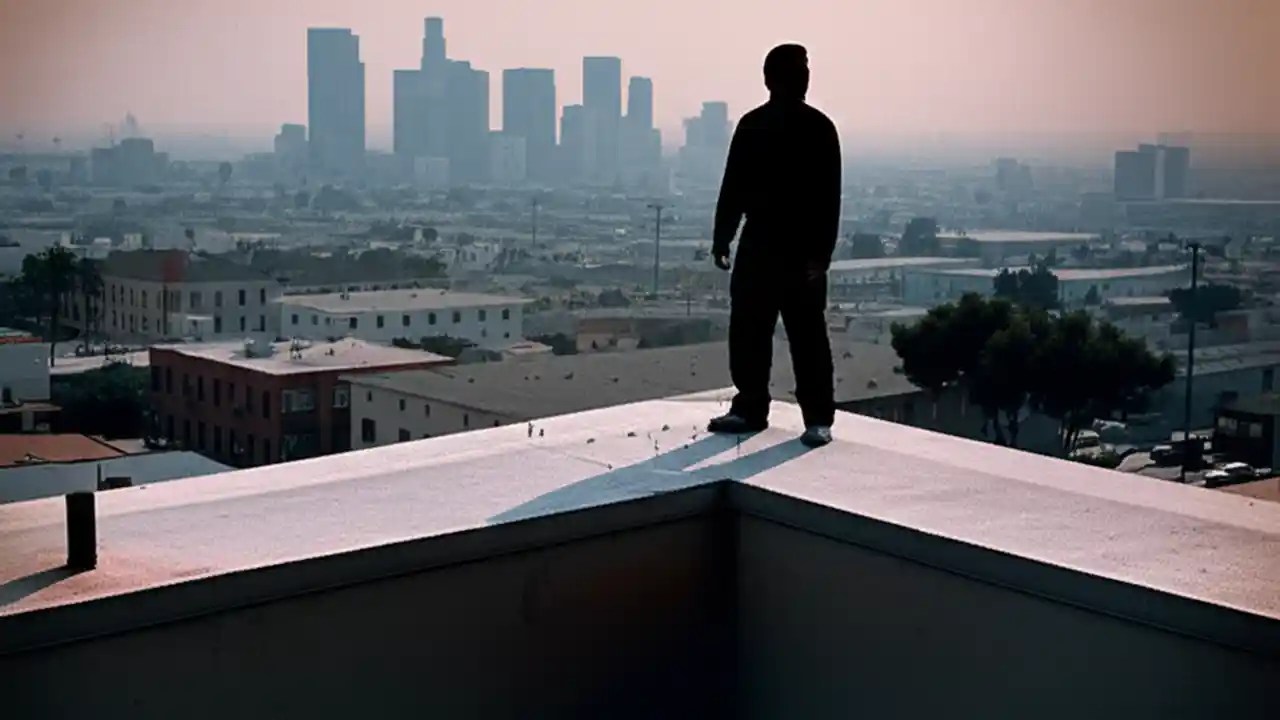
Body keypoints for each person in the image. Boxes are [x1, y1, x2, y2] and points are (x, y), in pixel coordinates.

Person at [707, 43, 841, 448]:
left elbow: (828, 197)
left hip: (795, 249)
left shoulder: (817, 128)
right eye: (796, 70)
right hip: (763, 242)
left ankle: (816, 417)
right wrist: (722, 237)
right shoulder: (755, 126)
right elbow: (733, 187)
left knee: (807, 336)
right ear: (772, 78)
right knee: (750, 330)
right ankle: (751, 406)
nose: (803, 76)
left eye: (805, 69)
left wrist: (822, 254)